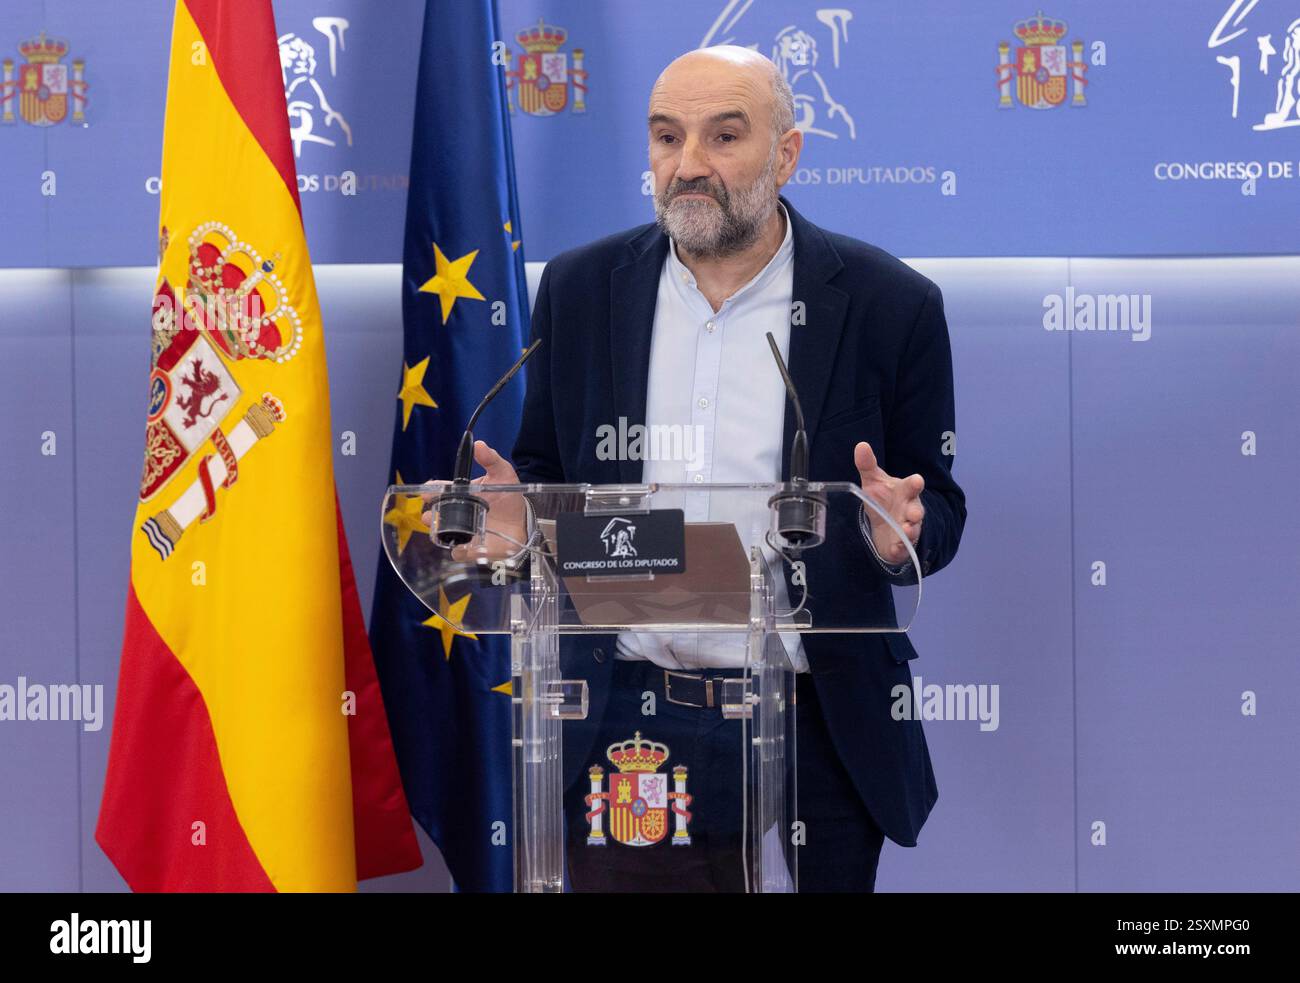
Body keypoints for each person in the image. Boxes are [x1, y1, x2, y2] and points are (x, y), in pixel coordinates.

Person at [470, 45, 965, 891]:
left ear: (787, 153)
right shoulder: (584, 289)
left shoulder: (891, 303)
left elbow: (936, 504)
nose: (688, 165)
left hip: (821, 711)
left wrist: (898, 536)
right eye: (666, 138)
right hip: (634, 701)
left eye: (723, 136)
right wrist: (524, 525)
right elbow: (545, 464)